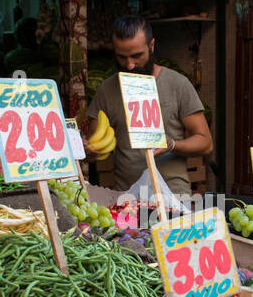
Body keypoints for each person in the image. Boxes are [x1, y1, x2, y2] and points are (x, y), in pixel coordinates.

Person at [85, 15, 213, 196]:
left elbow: (206, 143)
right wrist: (89, 151)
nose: (129, 64)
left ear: (151, 46)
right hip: (126, 196)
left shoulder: (177, 84)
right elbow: (94, 144)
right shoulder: (106, 90)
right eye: (121, 57)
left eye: (137, 56)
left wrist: (172, 145)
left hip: (172, 195)